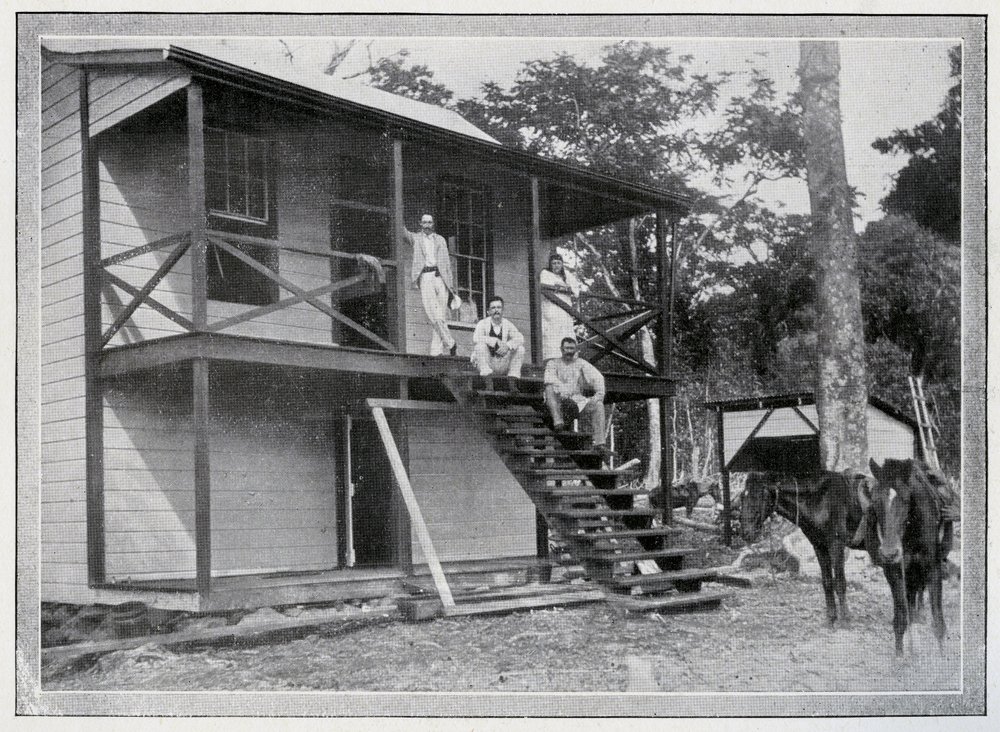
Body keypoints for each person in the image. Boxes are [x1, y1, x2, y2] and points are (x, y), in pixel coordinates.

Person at [544, 337, 608, 455]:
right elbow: (549, 379)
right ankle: (558, 422)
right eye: (567, 348)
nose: (569, 351)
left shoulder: (581, 363)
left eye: (572, 348)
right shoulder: (553, 363)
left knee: (598, 405)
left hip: (576, 401)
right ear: (561, 349)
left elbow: (597, 377)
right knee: (549, 388)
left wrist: (599, 394)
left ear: (576, 350)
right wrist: (563, 389)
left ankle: (600, 443)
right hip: (557, 402)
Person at [405, 213, 457, 356]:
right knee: (433, 313)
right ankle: (450, 342)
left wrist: (450, 286)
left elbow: (446, 263)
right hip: (426, 277)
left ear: (433, 224)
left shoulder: (440, 240)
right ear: (420, 224)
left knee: (440, 314)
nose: (427, 225)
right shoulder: (416, 238)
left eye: (429, 222)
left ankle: (436, 351)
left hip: (441, 278)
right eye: (424, 222)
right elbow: (402, 232)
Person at [471, 296, 525, 382]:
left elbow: (520, 338)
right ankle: (487, 377)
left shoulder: (507, 324)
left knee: (520, 349)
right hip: (487, 362)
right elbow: (476, 338)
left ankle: (513, 378)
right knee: (479, 346)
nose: (496, 310)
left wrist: (508, 345)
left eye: (499, 307)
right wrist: (493, 340)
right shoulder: (482, 323)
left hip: (502, 363)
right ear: (488, 311)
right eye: (493, 308)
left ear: (502, 310)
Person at [539, 252, 580, 362]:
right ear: (550, 265)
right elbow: (546, 285)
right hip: (552, 306)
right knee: (553, 331)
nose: (556, 265)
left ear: (562, 264)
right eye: (554, 263)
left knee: (565, 330)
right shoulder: (545, 273)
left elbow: (575, 288)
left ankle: (568, 354)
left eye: (558, 263)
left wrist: (567, 287)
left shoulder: (566, 275)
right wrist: (562, 287)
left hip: (565, 307)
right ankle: (552, 356)